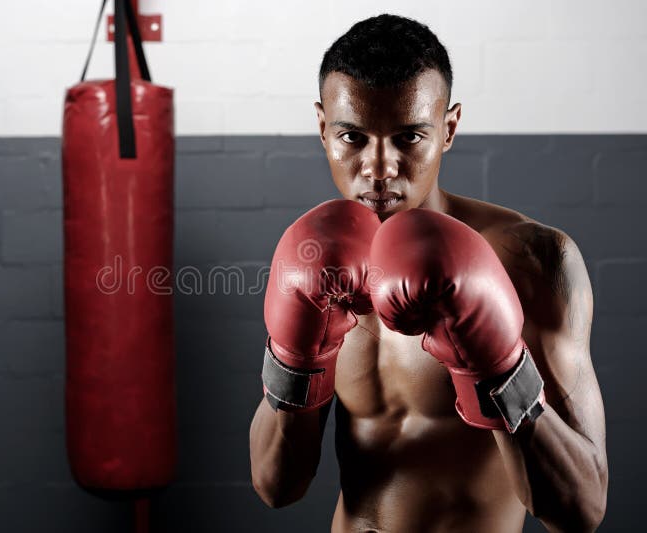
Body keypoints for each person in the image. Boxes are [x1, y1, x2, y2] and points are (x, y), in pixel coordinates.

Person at [249, 14, 609, 532]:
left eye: (409, 136)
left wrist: (500, 369)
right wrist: (294, 358)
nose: (379, 168)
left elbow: (581, 509)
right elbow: (275, 486)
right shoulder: (315, 261)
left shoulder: (534, 261)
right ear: (323, 128)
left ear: (449, 129)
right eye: (352, 136)